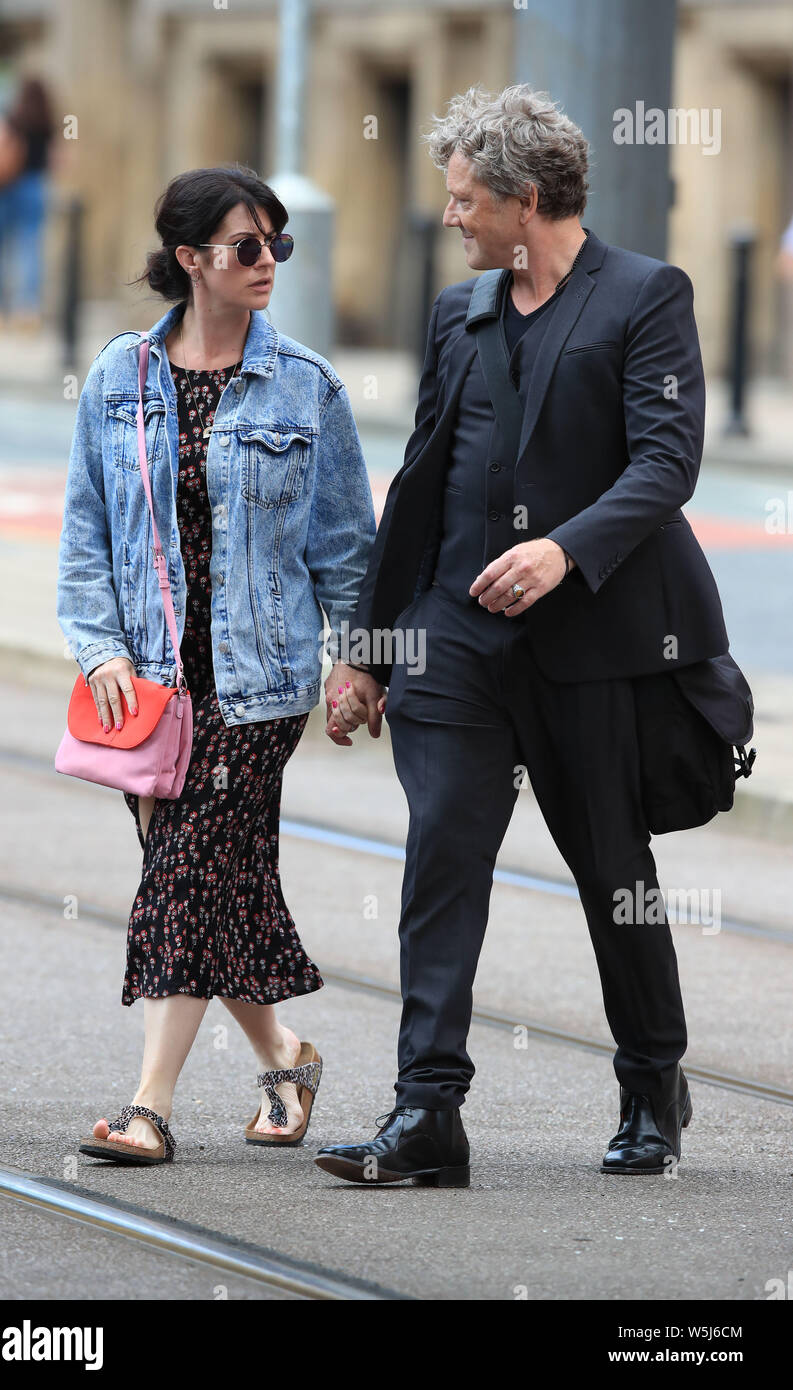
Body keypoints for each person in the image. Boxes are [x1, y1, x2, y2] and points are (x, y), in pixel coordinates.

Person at [315, 83, 750, 1186]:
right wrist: (370, 647)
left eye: (466, 199)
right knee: (441, 859)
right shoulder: (458, 316)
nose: (451, 216)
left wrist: (563, 549)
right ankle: (427, 1114)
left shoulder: (645, 296)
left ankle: (652, 1078)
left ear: (522, 199)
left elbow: (665, 462)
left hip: (594, 642)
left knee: (614, 873)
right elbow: (419, 484)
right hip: (455, 640)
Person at [57, 164, 378, 1163]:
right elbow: (86, 536)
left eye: (277, 244)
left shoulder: (305, 386)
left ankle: (148, 1108)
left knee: (186, 876)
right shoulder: (119, 379)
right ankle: (287, 1057)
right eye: (247, 247)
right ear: (190, 260)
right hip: (150, 690)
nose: (268, 262)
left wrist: (355, 663)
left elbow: (346, 547)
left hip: (258, 683)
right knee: (217, 886)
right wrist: (101, 647)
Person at [0, 77, 56, 332]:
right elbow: (57, 159)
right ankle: (27, 312)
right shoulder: (47, 121)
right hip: (34, 187)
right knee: (30, 248)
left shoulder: (12, 117)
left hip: (3, 187)